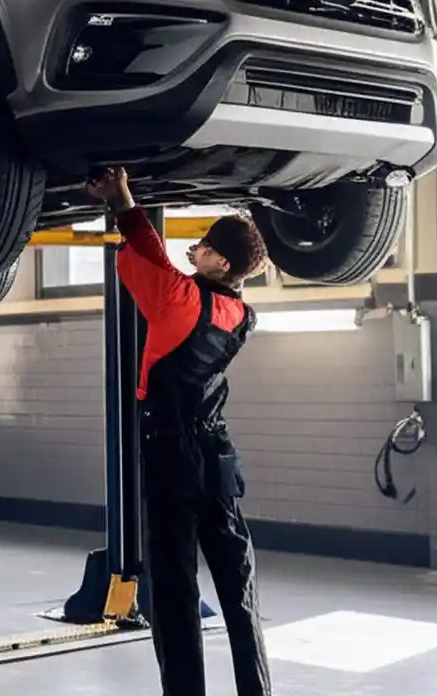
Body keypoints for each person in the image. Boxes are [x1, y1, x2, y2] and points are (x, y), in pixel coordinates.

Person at [87, 166, 272, 696]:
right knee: (239, 591)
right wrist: (127, 204)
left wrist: (121, 198)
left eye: (206, 245)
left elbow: (144, 258)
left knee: (174, 592)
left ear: (223, 261)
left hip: (172, 458)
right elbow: (160, 262)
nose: (196, 247)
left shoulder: (177, 299)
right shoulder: (242, 315)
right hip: (219, 458)